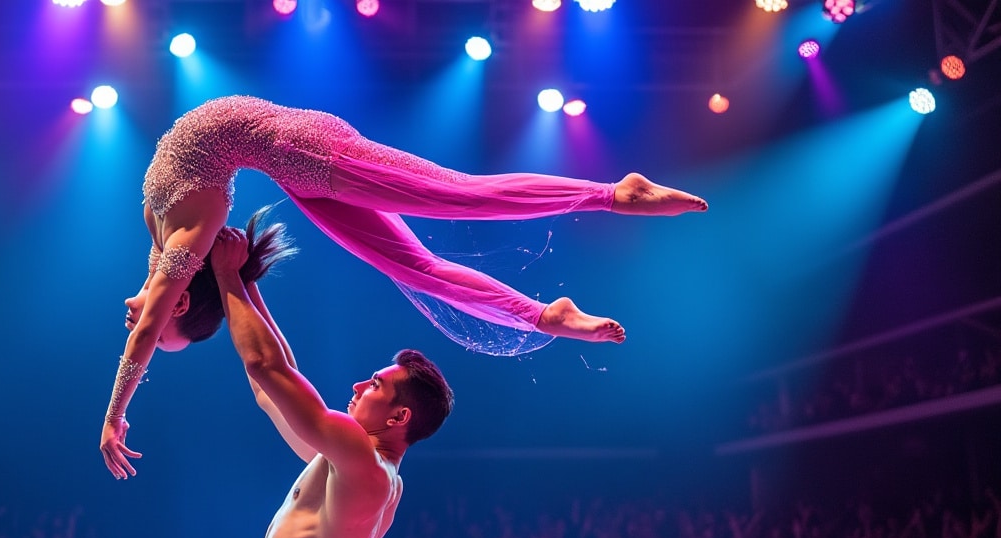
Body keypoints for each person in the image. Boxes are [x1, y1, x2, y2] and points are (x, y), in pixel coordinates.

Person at [100, 95, 708, 479]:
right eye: (158, 330)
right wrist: (115, 416)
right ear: (179, 300)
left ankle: (612, 194)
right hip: (297, 163)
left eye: (154, 332)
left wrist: (118, 411)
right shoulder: (181, 248)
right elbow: (153, 329)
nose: (138, 326)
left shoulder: (173, 248)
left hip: (303, 149)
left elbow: (159, 326)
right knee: (415, 266)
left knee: (455, 194)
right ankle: (543, 315)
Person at [123, 229, 572, 538]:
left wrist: (227, 275)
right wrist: (246, 282)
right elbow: (273, 378)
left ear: (399, 416)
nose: (359, 387)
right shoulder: (338, 458)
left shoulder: (366, 469)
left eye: (374, 385)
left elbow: (266, 366)